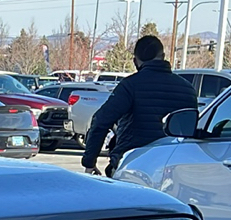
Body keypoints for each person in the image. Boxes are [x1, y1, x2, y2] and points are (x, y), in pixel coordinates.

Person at [81, 35, 196, 177]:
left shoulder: (130, 85)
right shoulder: (187, 89)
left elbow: (101, 121)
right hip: (174, 166)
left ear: (135, 60)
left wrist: (89, 162)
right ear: (163, 56)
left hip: (133, 164)